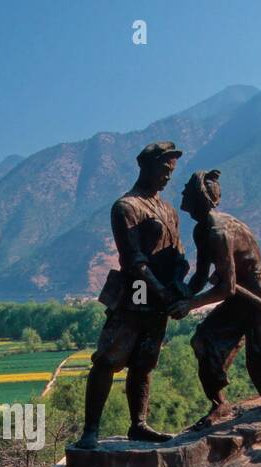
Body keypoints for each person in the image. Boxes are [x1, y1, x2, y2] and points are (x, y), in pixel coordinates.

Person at [171, 169, 261, 450]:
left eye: (186, 190)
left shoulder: (218, 231)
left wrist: (190, 304)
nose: (182, 195)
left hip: (258, 296)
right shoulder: (203, 229)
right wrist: (178, 292)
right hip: (242, 296)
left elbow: (227, 288)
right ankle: (220, 404)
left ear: (199, 197)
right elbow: (201, 277)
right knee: (204, 340)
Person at [73, 141, 189, 450]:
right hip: (134, 296)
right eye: (164, 170)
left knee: (144, 363)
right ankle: (90, 431)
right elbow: (133, 260)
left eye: (171, 172)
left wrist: (179, 285)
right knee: (108, 359)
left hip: (159, 303)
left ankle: (139, 424)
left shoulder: (167, 209)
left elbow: (179, 255)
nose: (168, 176)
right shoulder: (126, 207)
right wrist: (162, 290)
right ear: (146, 167)